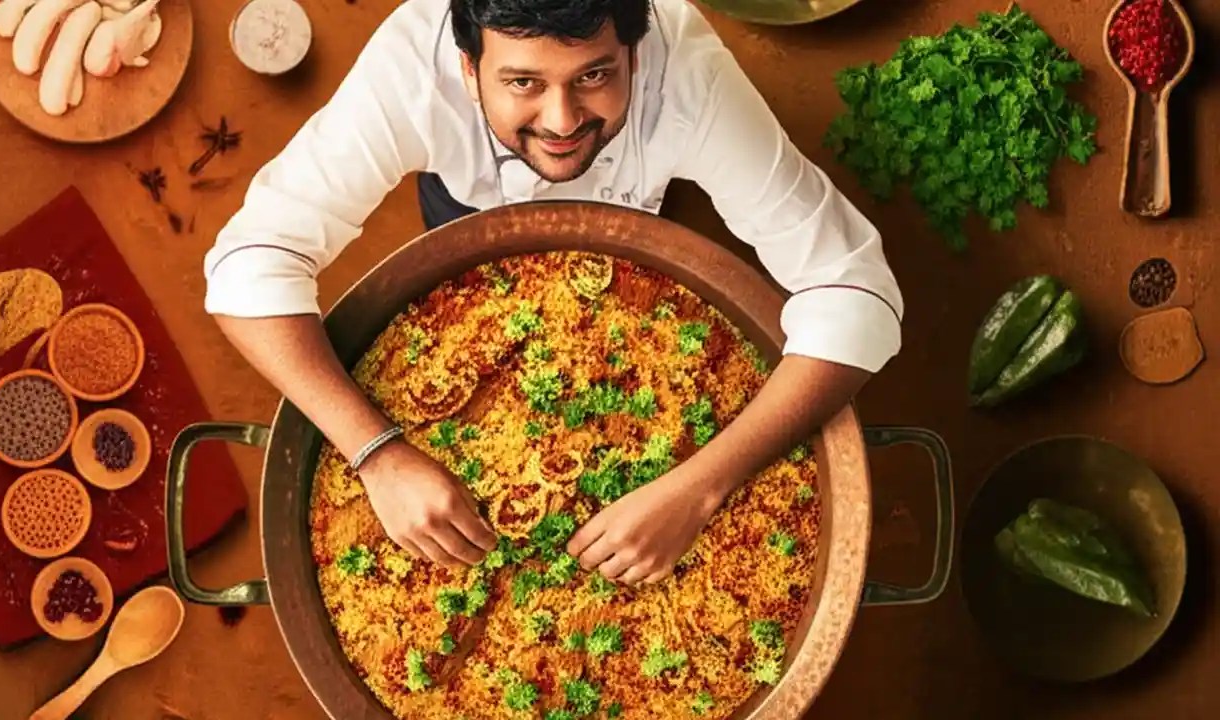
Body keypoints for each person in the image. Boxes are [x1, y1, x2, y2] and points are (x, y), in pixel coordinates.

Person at [203, 0, 903, 586]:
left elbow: (858, 294)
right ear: (468, 68)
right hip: (463, 212)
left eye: (594, 74)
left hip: (642, 231)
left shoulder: (690, 75)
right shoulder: (410, 71)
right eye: (523, 83)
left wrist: (700, 487)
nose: (563, 121)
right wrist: (376, 452)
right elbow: (245, 269)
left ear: (637, 50)